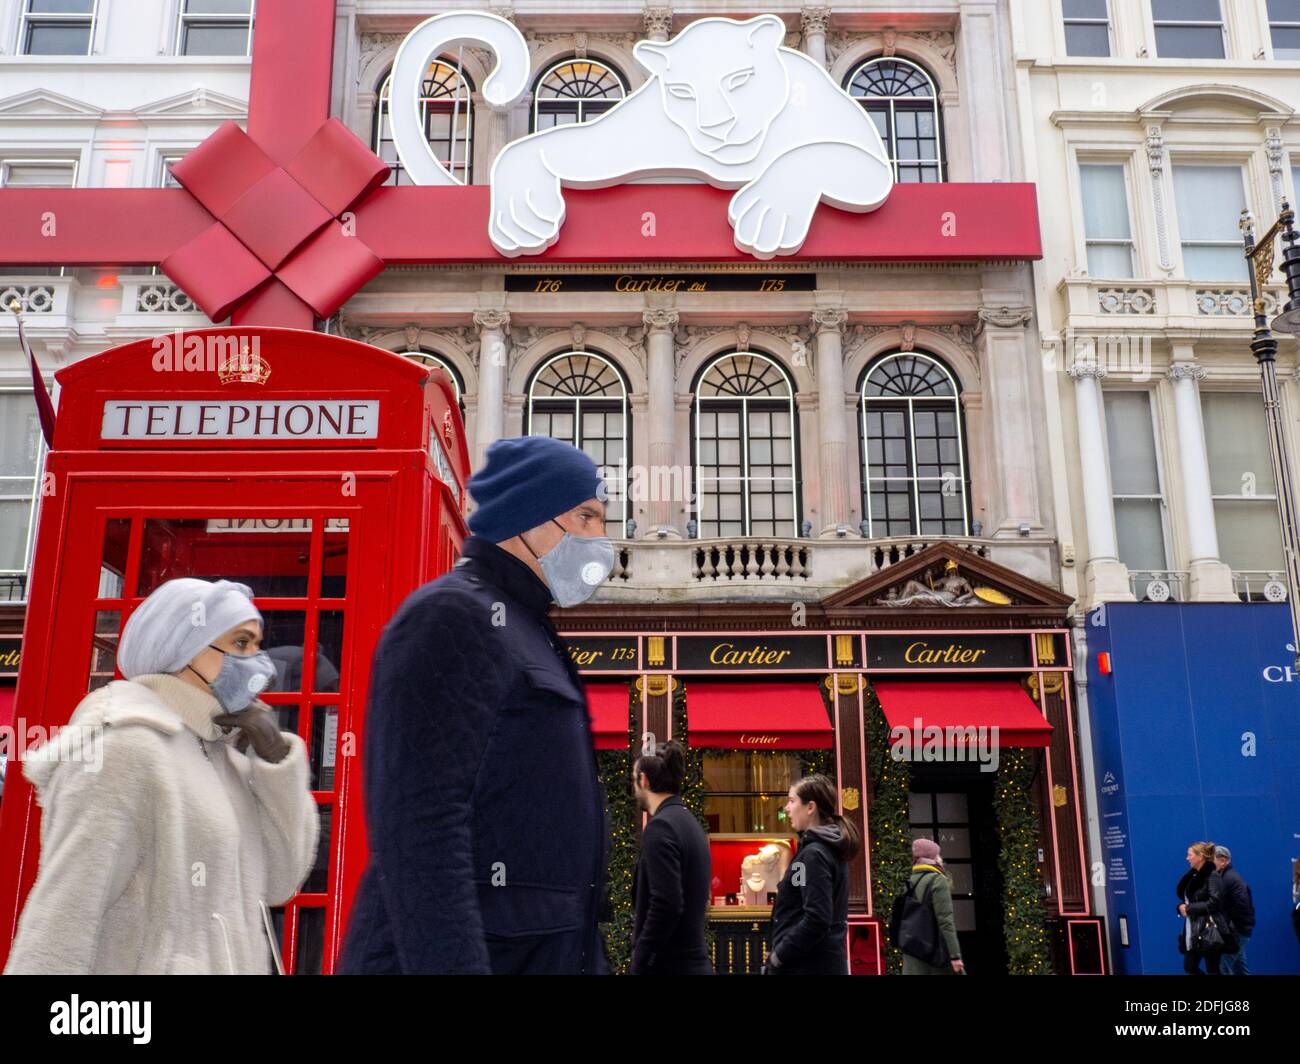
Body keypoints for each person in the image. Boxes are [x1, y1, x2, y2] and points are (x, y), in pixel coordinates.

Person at [338, 435, 616, 974]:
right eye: (585, 517)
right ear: (528, 517)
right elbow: (422, 833)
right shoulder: (451, 616)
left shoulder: (523, 625)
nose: (599, 539)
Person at [4, 578, 319, 974]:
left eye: (257, 644)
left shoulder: (225, 756)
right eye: (241, 643)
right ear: (183, 651)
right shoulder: (125, 747)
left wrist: (274, 759)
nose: (261, 663)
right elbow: (67, 910)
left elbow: (280, 880)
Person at [629, 740, 713, 975]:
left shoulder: (661, 827)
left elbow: (667, 902)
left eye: (634, 781)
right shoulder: (689, 822)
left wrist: (642, 959)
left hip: (670, 966)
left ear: (643, 780)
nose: (634, 790)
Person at [764, 773, 861, 974]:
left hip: (808, 966)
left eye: (792, 801)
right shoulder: (825, 849)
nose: (787, 808)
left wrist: (779, 955)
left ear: (810, 807)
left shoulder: (814, 854)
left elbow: (817, 917)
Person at [902, 837, 965, 975]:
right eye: (938, 854)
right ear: (933, 857)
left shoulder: (910, 881)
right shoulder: (938, 881)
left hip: (913, 952)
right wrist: (955, 956)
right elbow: (946, 921)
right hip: (935, 953)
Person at [1177, 841, 1225, 975]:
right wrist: (1180, 906)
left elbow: (1215, 902)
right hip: (1193, 928)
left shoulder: (1212, 876)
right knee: (1189, 966)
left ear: (1200, 856)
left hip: (1209, 928)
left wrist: (1190, 908)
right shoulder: (1193, 876)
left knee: (1213, 969)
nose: (1187, 858)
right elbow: (1188, 899)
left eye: (1190, 855)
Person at [1213, 846, 1254, 975]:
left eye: (1211, 859)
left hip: (1237, 931)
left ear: (1224, 861)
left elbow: (1243, 906)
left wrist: (1231, 926)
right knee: (1240, 968)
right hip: (1239, 929)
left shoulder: (1229, 878)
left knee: (1223, 967)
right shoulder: (1225, 877)